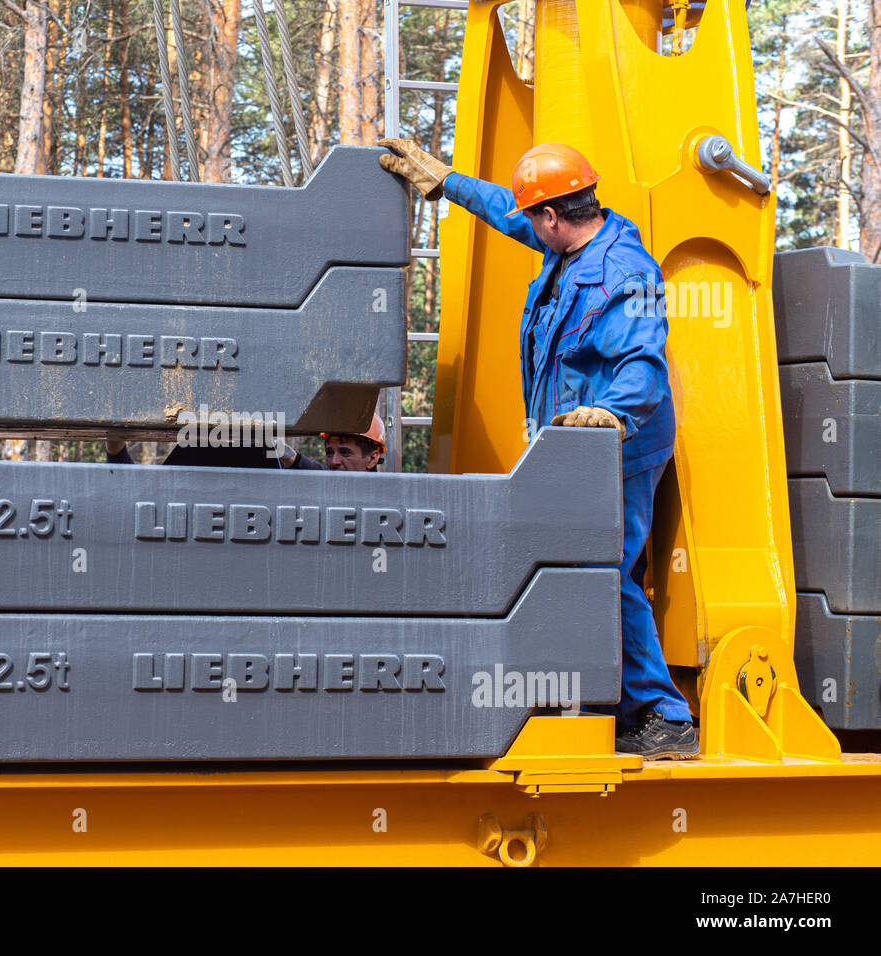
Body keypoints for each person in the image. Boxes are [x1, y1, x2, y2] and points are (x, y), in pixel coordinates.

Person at [378, 138, 698, 759]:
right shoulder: (573, 243)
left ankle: (665, 716)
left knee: (606, 572)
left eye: (534, 216)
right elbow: (510, 210)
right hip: (573, 446)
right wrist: (448, 183)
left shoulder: (621, 273)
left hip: (619, 446)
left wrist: (610, 412)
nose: (527, 223)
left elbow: (643, 366)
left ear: (552, 216)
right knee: (583, 567)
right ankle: (608, 699)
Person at [103, 413, 387, 472]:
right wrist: (115, 449)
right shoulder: (323, 480)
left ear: (373, 457)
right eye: (330, 452)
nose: (334, 461)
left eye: (345, 453)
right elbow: (142, 498)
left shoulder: (385, 502)